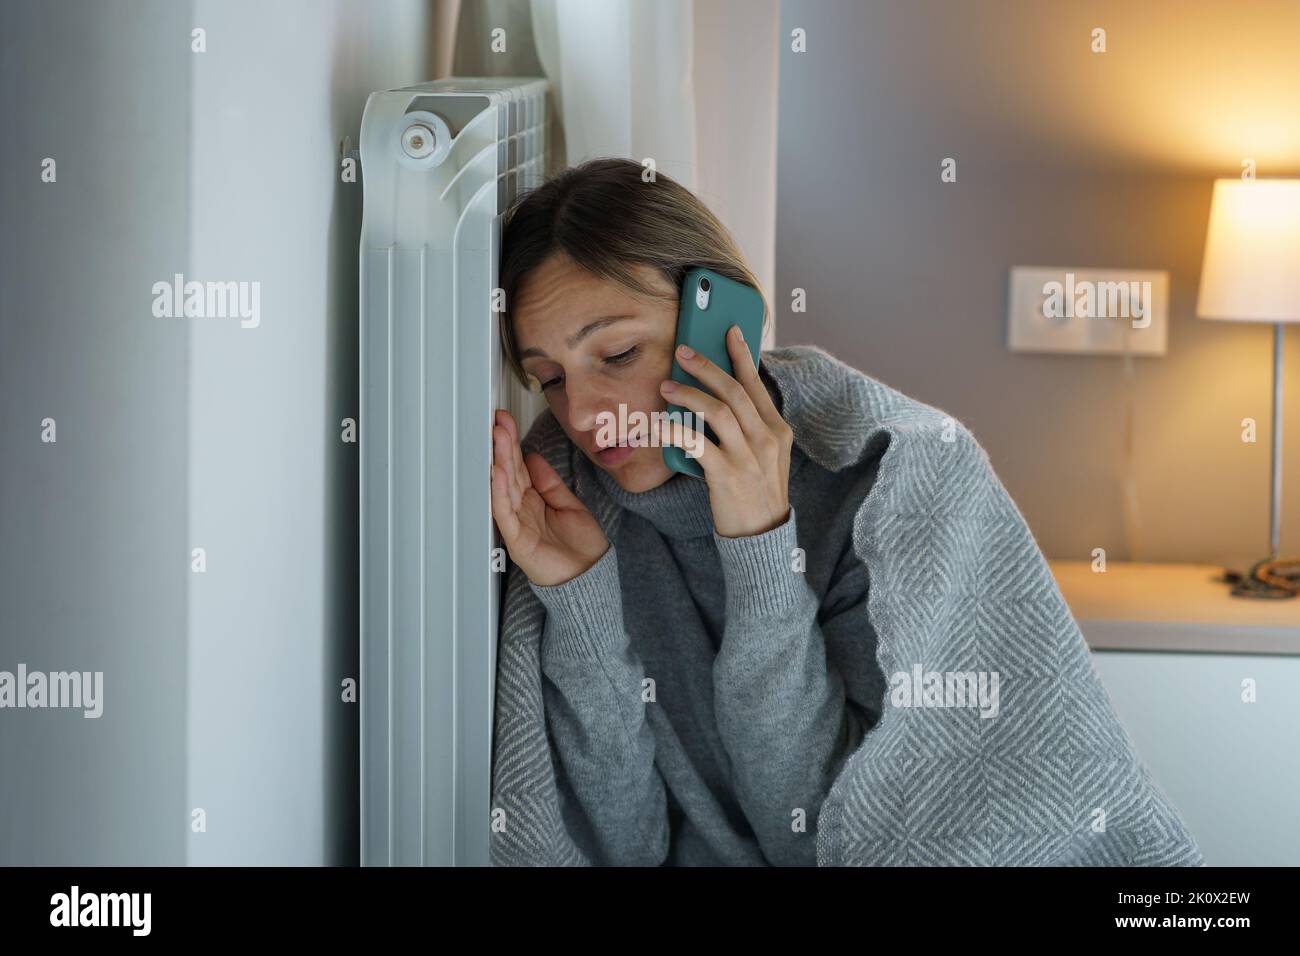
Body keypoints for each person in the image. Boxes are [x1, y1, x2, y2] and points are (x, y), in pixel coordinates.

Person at [489, 157, 886, 866]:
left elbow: (825, 842)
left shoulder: (875, 478)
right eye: (547, 378)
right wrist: (582, 606)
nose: (580, 413)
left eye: (616, 353)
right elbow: (621, 849)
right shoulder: (562, 489)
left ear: (723, 321)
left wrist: (761, 547)